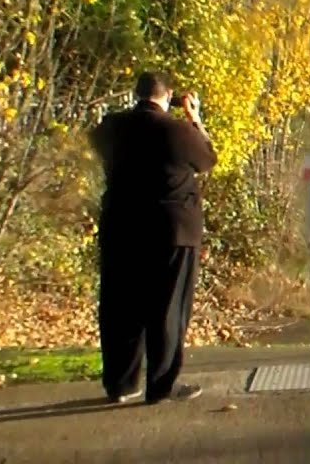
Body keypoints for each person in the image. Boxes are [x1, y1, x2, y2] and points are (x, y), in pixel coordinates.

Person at [90, 71, 217, 405]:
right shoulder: (178, 131)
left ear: (137, 94)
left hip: (121, 228)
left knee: (120, 307)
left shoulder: (112, 128)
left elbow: (96, 144)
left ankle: (121, 383)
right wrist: (195, 118)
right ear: (169, 95)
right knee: (168, 308)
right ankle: (160, 385)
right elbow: (207, 159)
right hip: (171, 230)